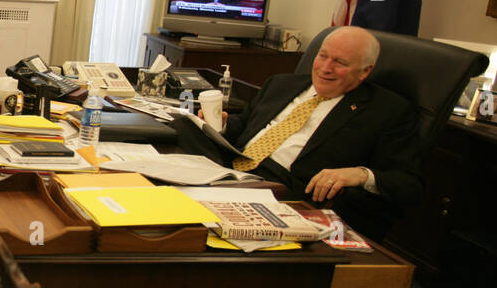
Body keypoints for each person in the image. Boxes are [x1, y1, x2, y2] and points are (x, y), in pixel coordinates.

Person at [181, 26, 422, 219]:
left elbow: (407, 184)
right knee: (182, 124)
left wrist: (359, 174)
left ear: (365, 71)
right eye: (323, 56)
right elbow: (244, 125)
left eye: (340, 62)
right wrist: (221, 124)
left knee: (182, 195)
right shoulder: (282, 83)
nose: (325, 68)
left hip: (282, 185)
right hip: (234, 163)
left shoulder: (388, 111)